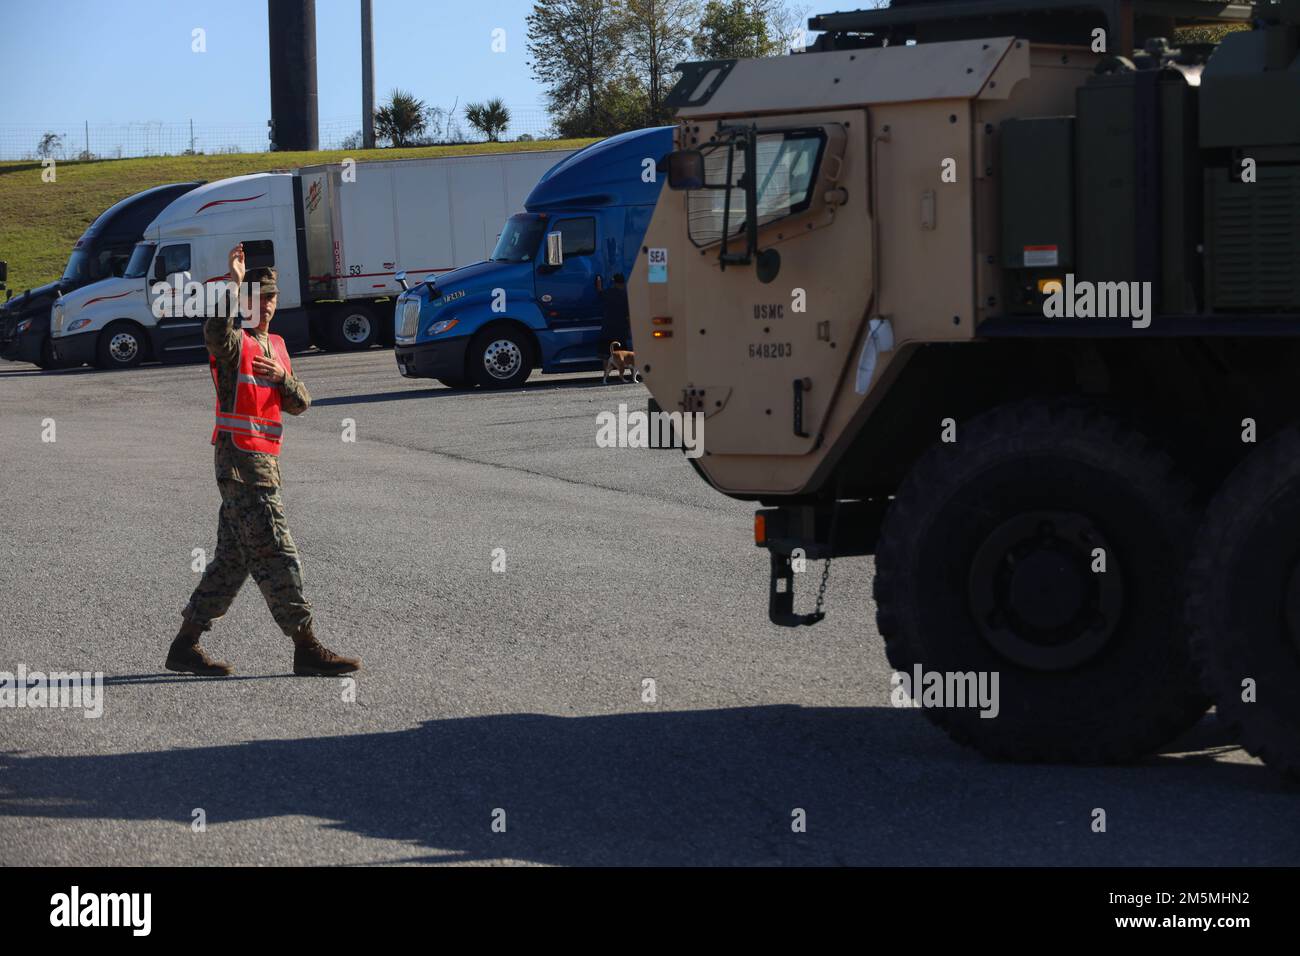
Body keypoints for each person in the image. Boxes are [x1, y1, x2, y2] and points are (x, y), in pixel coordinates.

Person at [165, 243, 361, 677]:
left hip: (263, 464)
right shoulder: (234, 345)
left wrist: (284, 378)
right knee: (278, 553)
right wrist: (232, 285)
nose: (268, 305)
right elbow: (216, 333)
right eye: (259, 297)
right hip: (240, 466)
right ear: (245, 302)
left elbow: (300, 403)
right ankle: (306, 646)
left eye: (271, 296)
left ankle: (184, 646)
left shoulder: (275, 346)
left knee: (232, 562)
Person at [597, 273, 631, 358]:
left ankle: (606, 371)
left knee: (605, 355)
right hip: (621, 330)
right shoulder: (626, 296)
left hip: (608, 330)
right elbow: (628, 315)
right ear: (623, 283)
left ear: (614, 283)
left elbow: (599, 291)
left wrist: (598, 280)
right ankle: (631, 371)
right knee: (626, 354)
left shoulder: (608, 293)